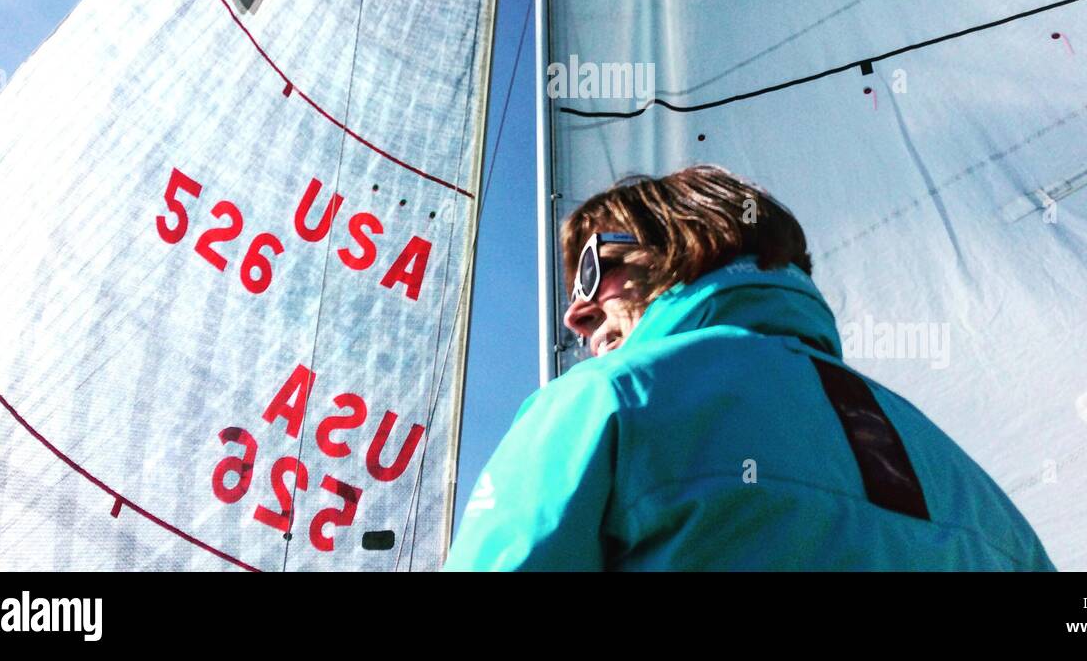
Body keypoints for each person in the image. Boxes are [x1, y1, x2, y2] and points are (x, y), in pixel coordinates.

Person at [444, 165, 1056, 571]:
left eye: (591, 270)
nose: (576, 312)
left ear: (682, 246)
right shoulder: (968, 481)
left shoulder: (607, 403)